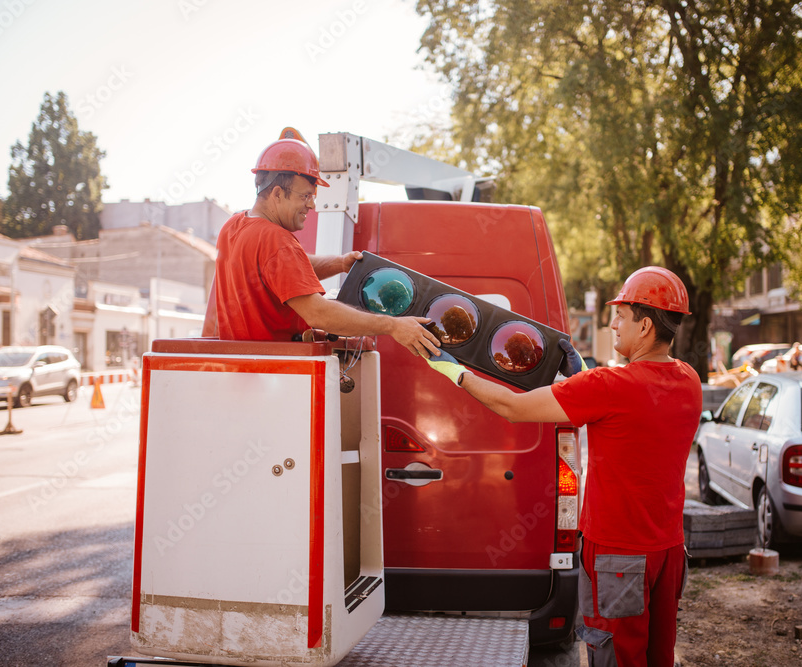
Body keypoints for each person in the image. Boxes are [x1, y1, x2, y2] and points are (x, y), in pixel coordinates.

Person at [426, 266, 702, 666]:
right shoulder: (688, 380)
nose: (614, 324)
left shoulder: (609, 386)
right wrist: (583, 378)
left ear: (644, 327)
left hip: (617, 557)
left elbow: (512, 407)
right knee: (658, 656)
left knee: (616, 658)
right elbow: (632, 412)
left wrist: (454, 370)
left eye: (621, 316)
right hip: (669, 551)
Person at [202, 128, 440, 357]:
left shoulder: (233, 226)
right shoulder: (276, 240)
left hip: (243, 370)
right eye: (305, 196)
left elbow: (284, 269)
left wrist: (340, 263)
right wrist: (393, 326)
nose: (312, 205)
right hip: (277, 375)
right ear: (276, 194)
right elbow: (319, 314)